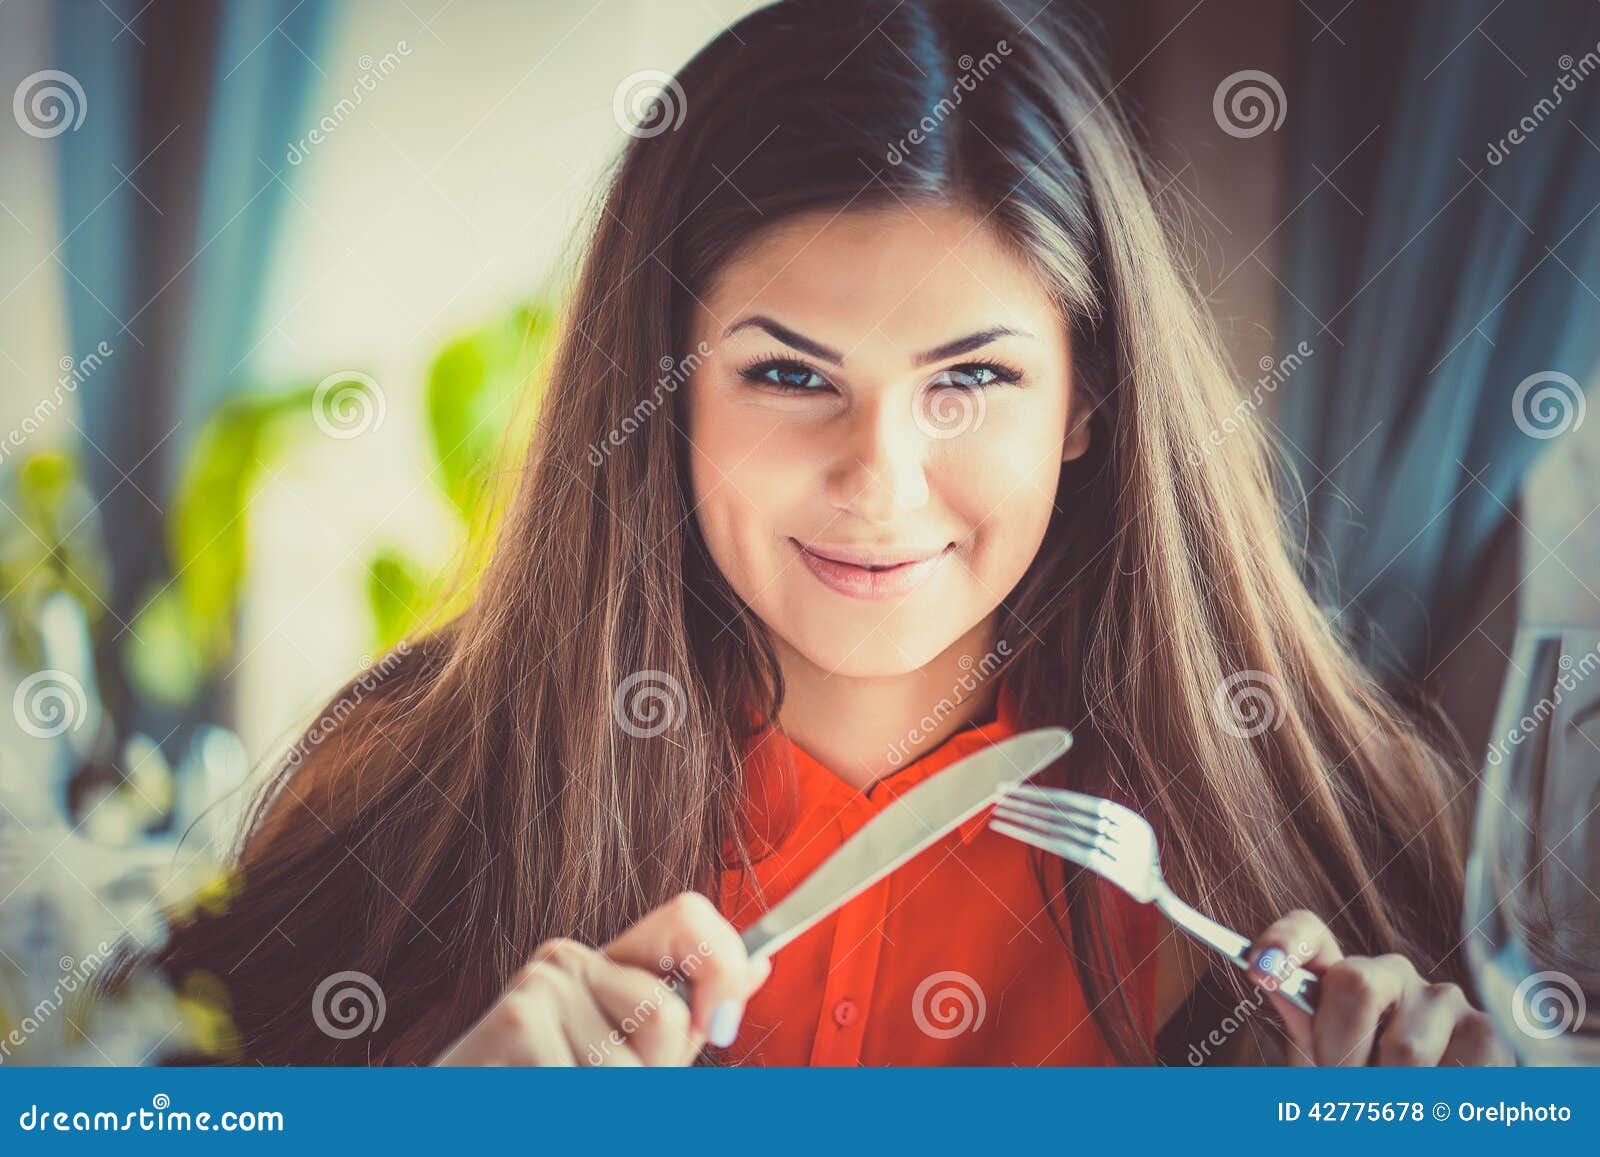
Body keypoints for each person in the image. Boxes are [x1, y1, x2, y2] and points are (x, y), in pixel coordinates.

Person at [137, 0, 1510, 1067]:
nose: (879, 478)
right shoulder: (404, 800)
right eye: (790, 375)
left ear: (1090, 397)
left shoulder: (1341, 826)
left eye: (970, 379)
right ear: (659, 388)